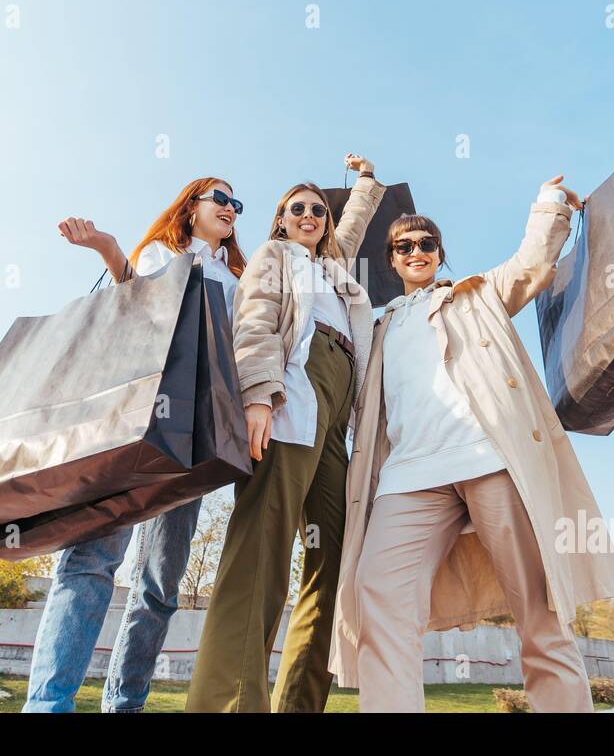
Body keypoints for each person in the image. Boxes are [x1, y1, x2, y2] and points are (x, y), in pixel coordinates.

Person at [328, 175, 614, 712]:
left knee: (538, 609)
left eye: (426, 243)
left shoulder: (477, 295)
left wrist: (548, 202)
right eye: (404, 246)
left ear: (439, 254)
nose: (416, 251)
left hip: (490, 459)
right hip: (406, 476)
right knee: (377, 598)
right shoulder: (378, 327)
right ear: (392, 260)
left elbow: (532, 263)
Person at [22, 177, 246, 713]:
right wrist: (108, 249)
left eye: (238, 204)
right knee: (93, 559)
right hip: (133, 421)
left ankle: (125, 704)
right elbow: (138, 306)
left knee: (160, 582)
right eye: (221, 198)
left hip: (196, 437)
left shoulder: (239, 281)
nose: (232, 209)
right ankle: (48, 704)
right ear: (191, 206)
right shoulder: (158, 254)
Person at [185, 154, 386, 713]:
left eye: (318, 209)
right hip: (294, 389)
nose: (310, 215)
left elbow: (355, 222)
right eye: (297, 208)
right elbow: (254, 322)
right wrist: (257, 396)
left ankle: (299, 704)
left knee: (335, 556)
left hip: (339, 408)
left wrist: (365, 181)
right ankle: (230, 703)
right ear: (280, 219)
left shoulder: (335, 266)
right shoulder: (274, 258)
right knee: (262, 546)